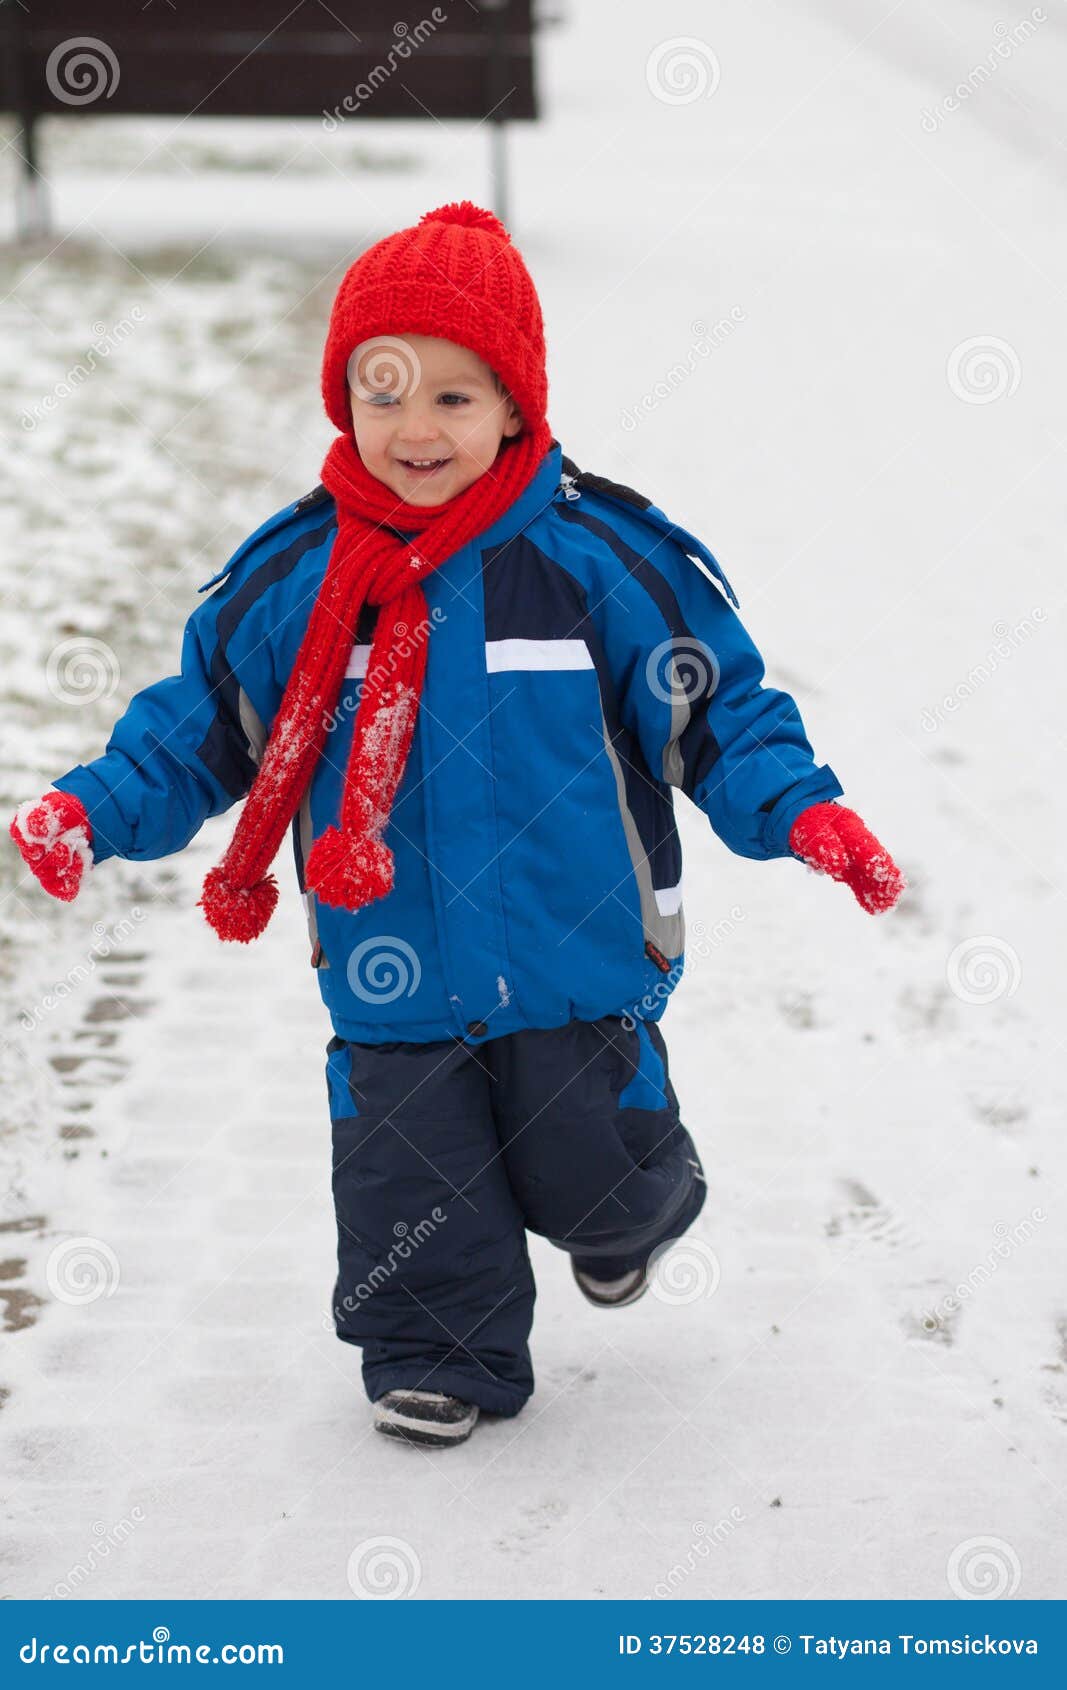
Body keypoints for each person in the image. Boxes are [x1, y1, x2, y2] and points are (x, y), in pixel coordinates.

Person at [9, 202, 905, 1450]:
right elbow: (203, 726)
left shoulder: (597, 560)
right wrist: (89, 809)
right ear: (343, 403)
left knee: (592, 1171)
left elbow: (714, 713)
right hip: (392, 962)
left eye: (452, 397)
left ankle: (628, 1217)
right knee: (407, 1173)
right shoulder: (295, 580)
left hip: (576, 950)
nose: (414, 430)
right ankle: (437, 1352)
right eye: (384, 395)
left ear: (514, 406)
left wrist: (801, 811)